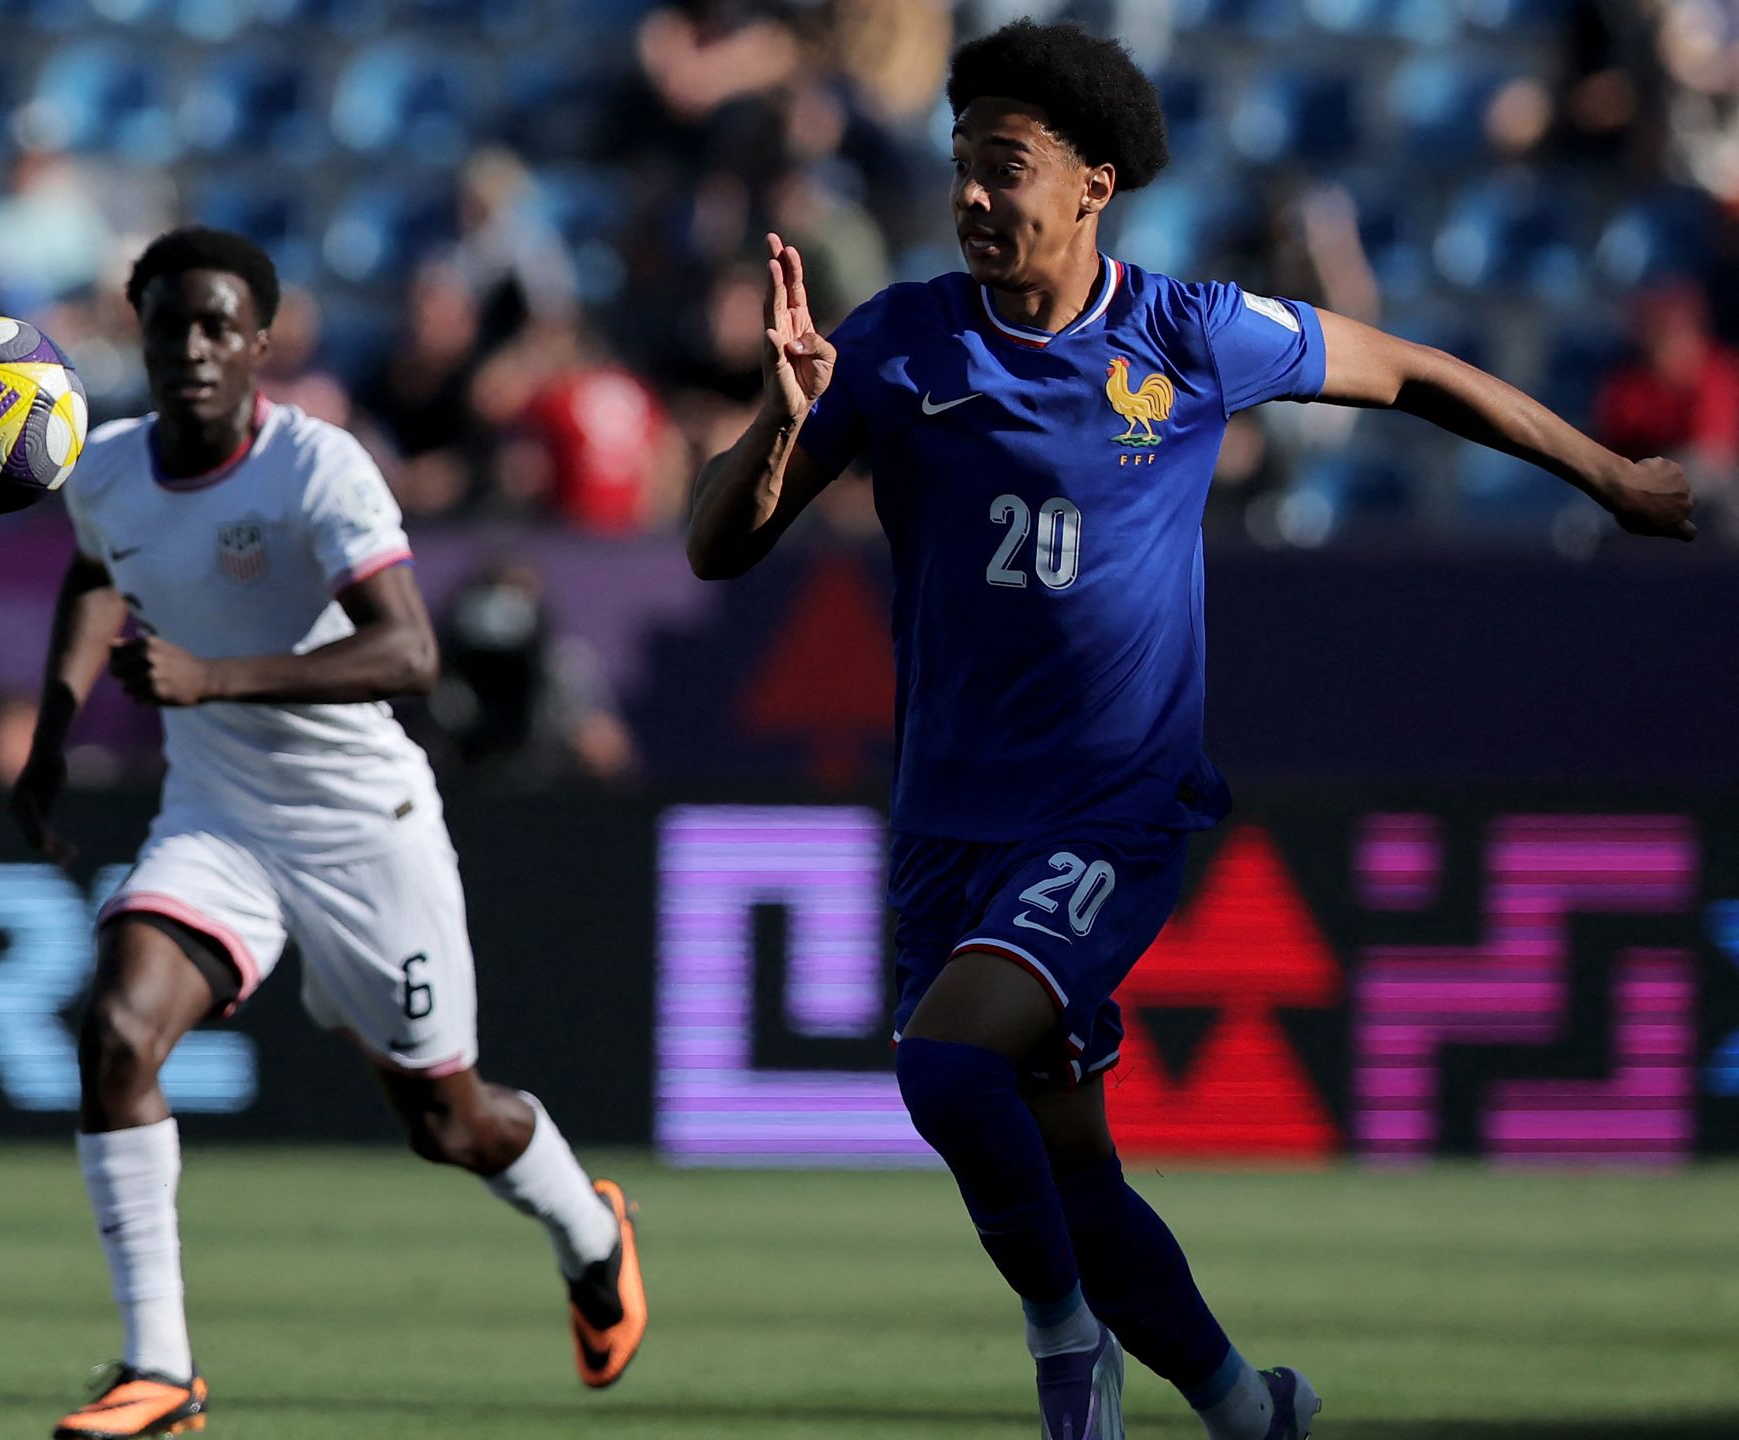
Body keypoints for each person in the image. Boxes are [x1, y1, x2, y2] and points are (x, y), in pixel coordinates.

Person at [686, 20, 1695, 1440]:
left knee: (946, 1063)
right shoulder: (897, 344)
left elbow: (1408, 371)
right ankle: (1244, 1406)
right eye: (962, 166)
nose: (974, 196)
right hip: (943, 825)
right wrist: (782, 426)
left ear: (1093, 183)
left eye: (1006, 168)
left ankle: (1061, 1342)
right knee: (1072, 1170)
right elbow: (714, 550)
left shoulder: (1187, 334)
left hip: (1109, 809)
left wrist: (1606, 478)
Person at [12, 227, 647, 1440]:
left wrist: (215, 678)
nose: (192, 349)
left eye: (216, 327)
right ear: (137, 338)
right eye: (168, 327)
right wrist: (50, 732)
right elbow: (95, 571)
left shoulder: (317, 469)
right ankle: (161, 1371)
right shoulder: (105, 468)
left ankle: (586, 1228)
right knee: (115, 1031)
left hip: (366, 831)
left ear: (262, 341)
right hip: (218, 822)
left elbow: (409, 649)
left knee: (447, 1123)